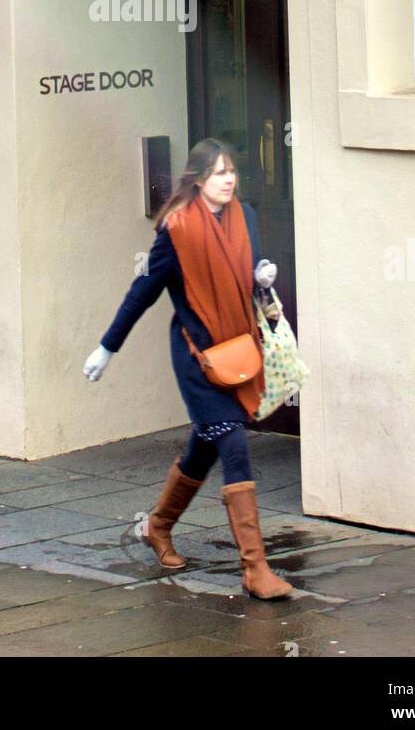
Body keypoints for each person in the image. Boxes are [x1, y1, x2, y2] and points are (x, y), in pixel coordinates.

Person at [84, 137, 293, 600]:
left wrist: (263, 275)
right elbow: (143, 293)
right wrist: (107, 347)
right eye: (219, 173)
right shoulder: (176, 230)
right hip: (197, 358)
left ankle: (157, 526)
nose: (228, 180)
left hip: (239, 349)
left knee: (206, 444)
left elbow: (253, 270)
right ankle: (255, 569)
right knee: (233, 443)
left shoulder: (247, 217)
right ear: (199, 180)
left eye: (232, 172)